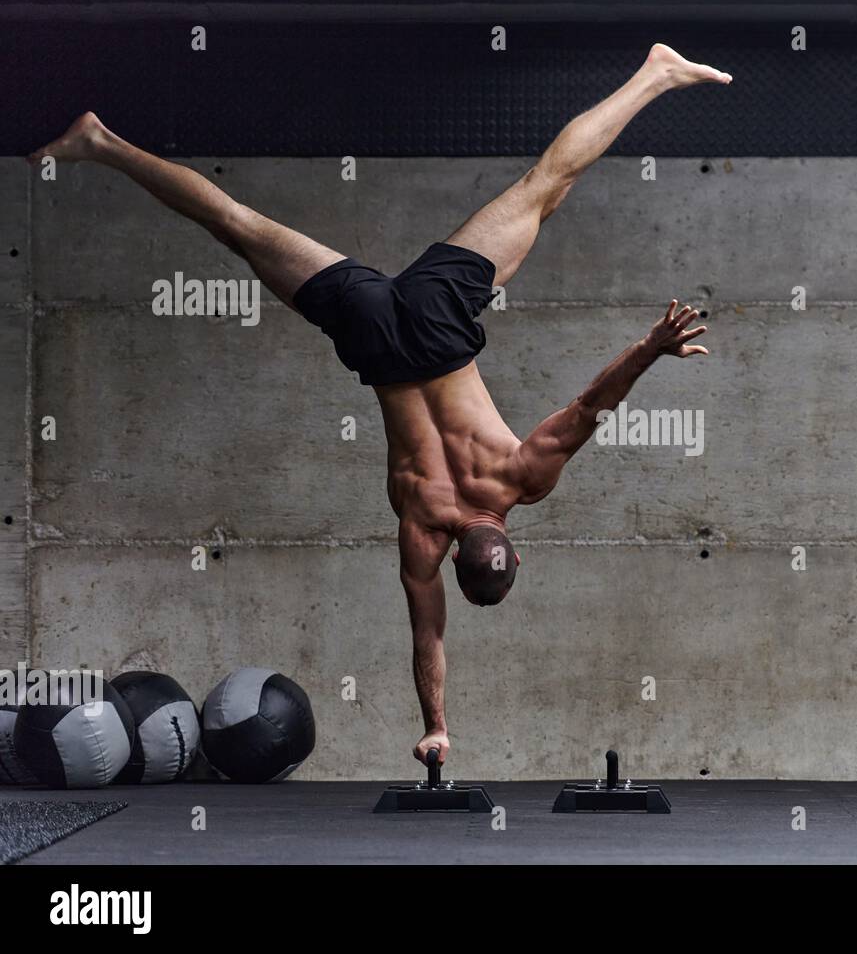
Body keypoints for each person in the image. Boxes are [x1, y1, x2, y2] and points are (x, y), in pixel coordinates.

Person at [29, 43, 731, 766]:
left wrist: (651, 348)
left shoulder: (522, 479)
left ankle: (654, 73)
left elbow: (590, 407)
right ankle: (100, 143)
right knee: (237, 226)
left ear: (511, 550)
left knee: (545, 185)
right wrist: (437, 725)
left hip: (439, 322)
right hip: (379, 345)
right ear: (461, 564)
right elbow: (429, 634)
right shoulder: (424, 531)